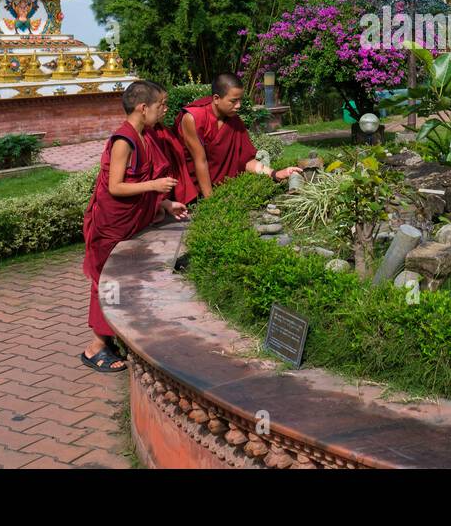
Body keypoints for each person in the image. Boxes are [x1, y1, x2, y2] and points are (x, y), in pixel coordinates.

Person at [81, 80, 188, 373]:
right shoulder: (123, 140)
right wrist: (155, 185)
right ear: (143, 108)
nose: (164, 110)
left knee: (122, 282)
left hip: (129, 223)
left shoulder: (146, 136)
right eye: (161, 105)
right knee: (105, 283)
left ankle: (113, 336)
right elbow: (116, 187)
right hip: (111, 225)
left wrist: (164, 204)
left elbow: (139, 183)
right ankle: (95, 347)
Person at [171, 72, 301, 201]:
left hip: (223, 189)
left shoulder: (234, 121)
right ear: (216, 98)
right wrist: (211, 201)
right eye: (233, 101)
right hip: (195, 190)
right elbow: (200, 160)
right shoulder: (193, 118)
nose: (238, 105)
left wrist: (275, 174)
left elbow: (245, 160)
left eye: (240, 100)